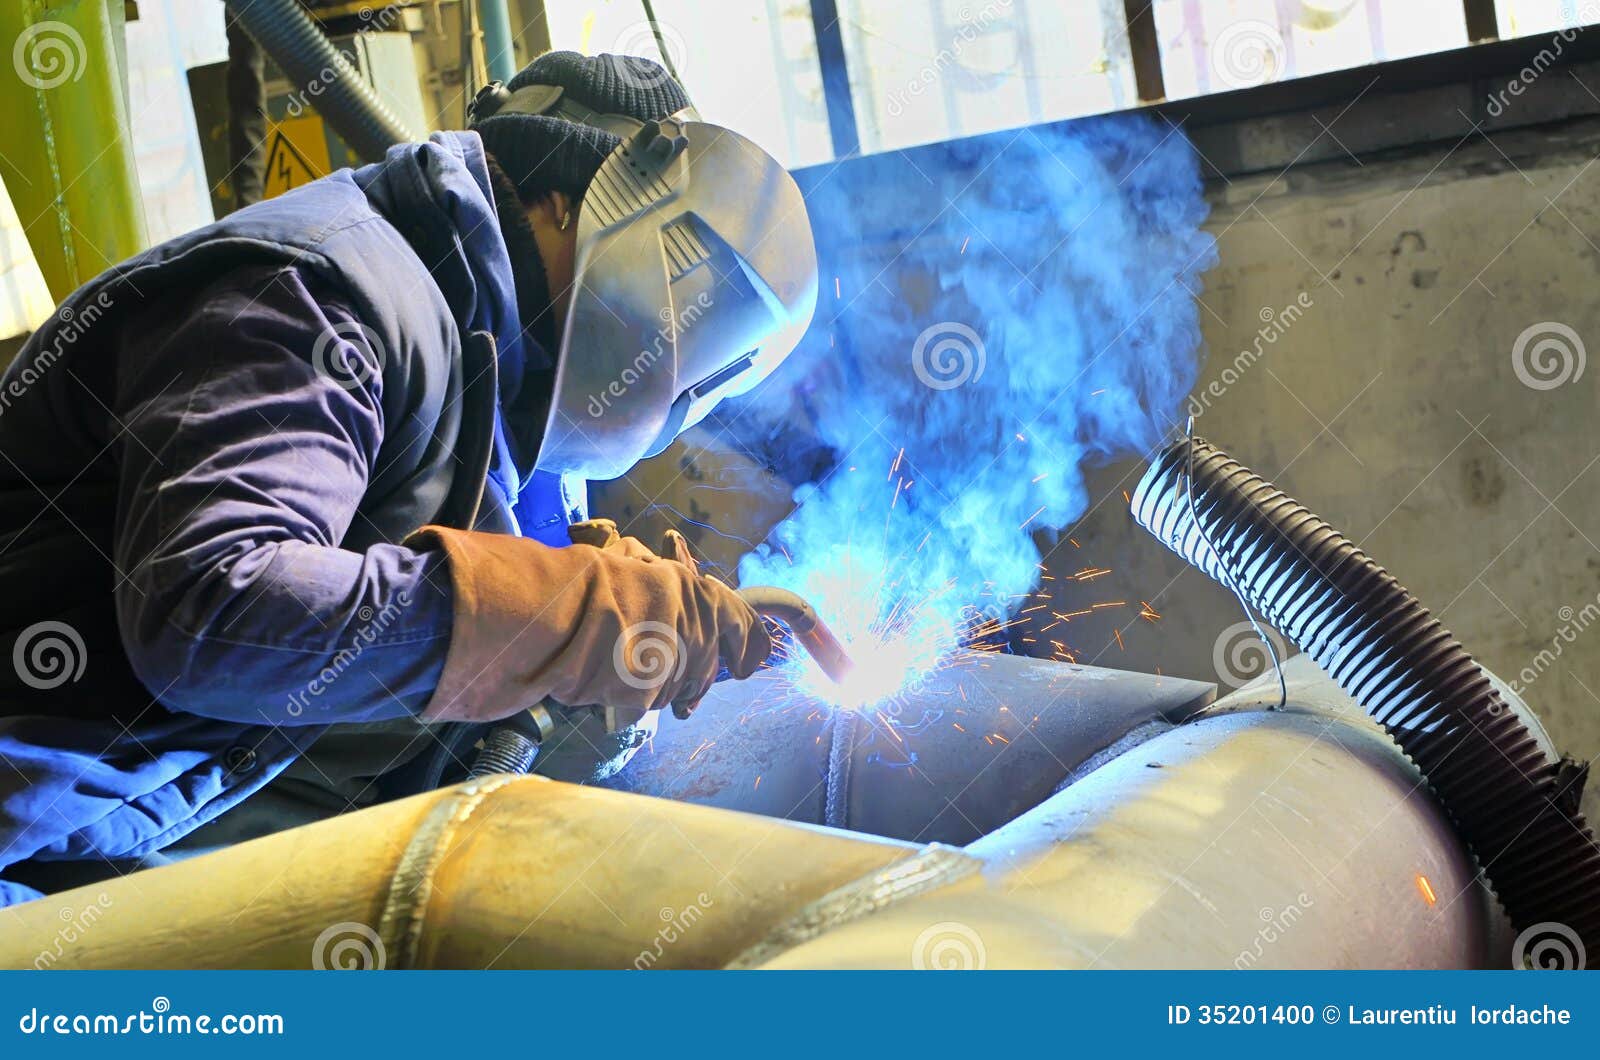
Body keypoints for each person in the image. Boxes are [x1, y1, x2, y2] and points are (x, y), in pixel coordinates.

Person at [0, 51, 818, 905]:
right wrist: (568, 609)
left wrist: (627, 630)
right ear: (571, 205)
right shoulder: (313, 292)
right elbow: (208, 610)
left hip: (138, 852)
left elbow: (432, 633)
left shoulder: (500, 384)